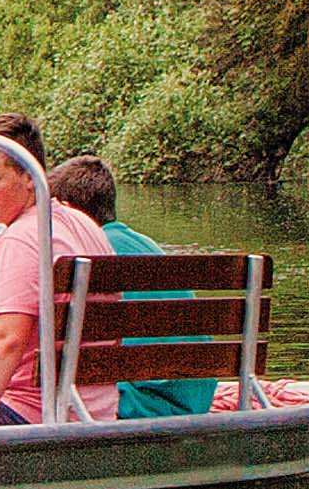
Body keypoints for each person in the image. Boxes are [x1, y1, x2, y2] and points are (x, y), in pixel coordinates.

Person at [0, 114, 118, 426]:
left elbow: (8, 340)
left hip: (28, 412)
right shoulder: (83, 224)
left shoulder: (22, 238)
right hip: (89, 411)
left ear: (29, 177)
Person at [45, 154, 214, 418]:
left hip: (139, 401)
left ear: (67, 210)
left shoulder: (90, 254)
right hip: (192, 397)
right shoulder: (143, 244)